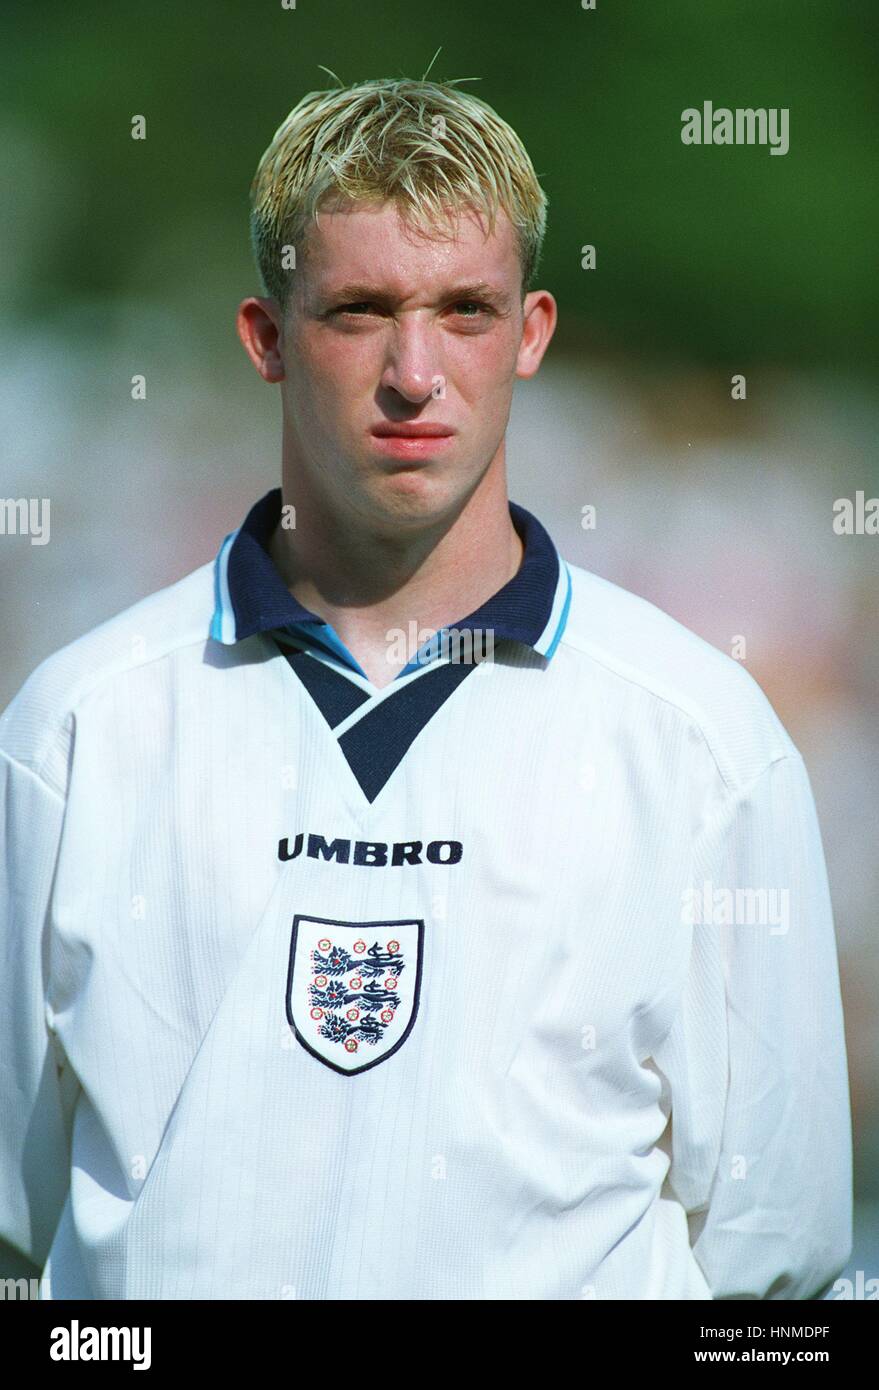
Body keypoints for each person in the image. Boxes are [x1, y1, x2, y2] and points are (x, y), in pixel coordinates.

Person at [0, 76, 852, 1300]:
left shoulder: (701, 738)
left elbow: (778, 1253)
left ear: (533, 332)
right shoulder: (76, 730)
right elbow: (24, 1223)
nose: (416, 372)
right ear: (268, 337)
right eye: (359, 310)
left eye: (465, 310)